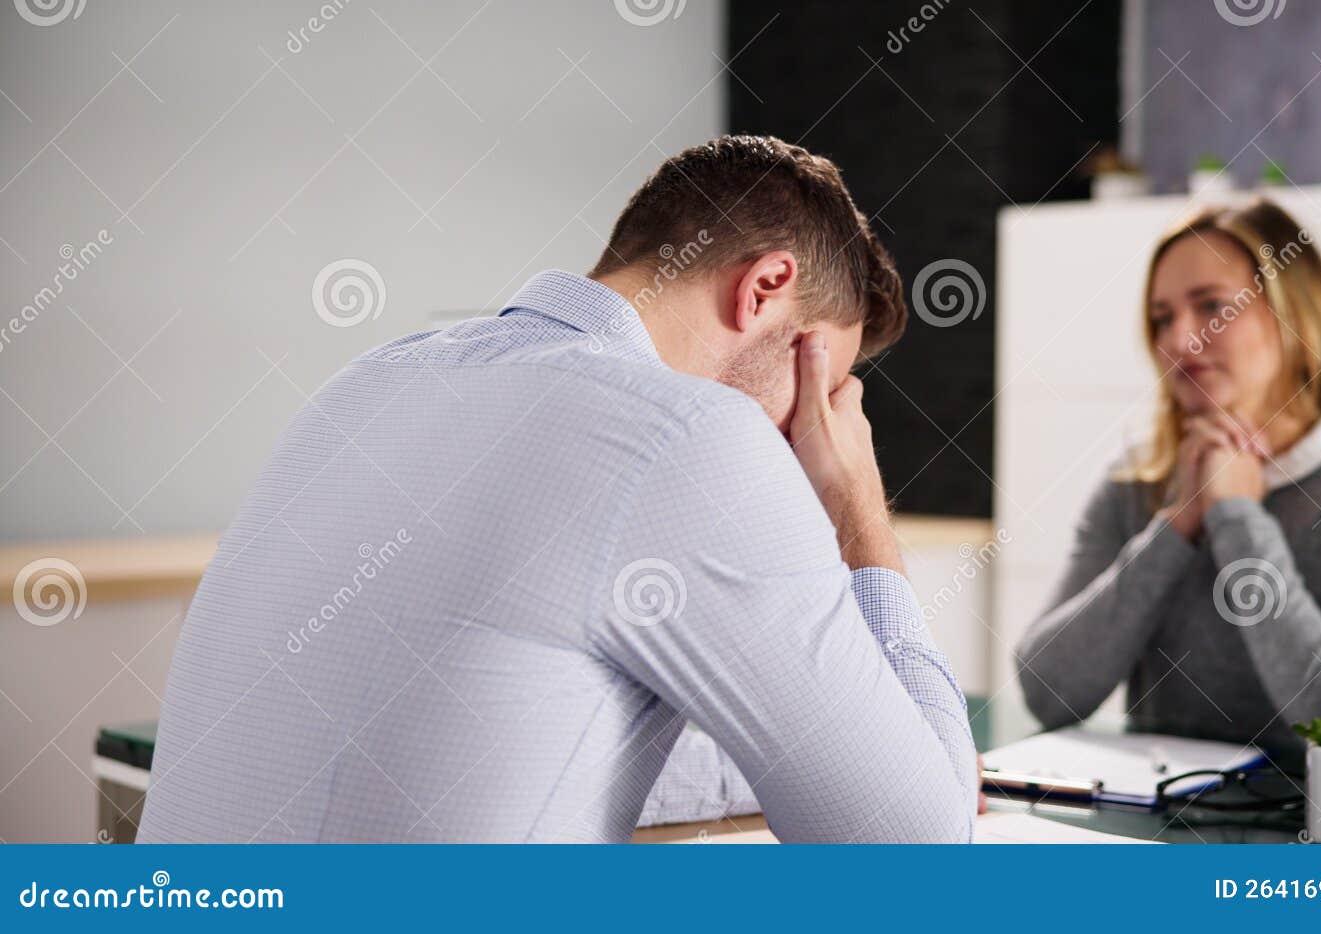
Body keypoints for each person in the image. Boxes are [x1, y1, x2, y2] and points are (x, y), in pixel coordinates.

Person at [137, 136, 976, 843]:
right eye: (821, 380)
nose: (811, 426)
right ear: (763, 288)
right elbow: (917, 852)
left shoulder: (369, 382)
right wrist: (856, 506)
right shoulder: (691, 433)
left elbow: (502, 736)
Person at [1014, 198, 1321, 757]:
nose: (1179, 341)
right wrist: (1177, 524)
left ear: (1294, 314)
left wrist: (1237, 519)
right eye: (1162, 318)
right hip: (1158, 808)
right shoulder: (1138, 480)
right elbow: (1047, 693)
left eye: (1211, 307)